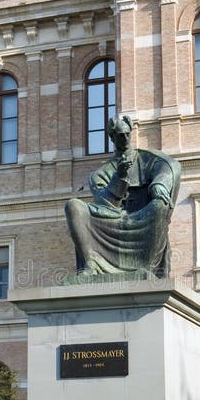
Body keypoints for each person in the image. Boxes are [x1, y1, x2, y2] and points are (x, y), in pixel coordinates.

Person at [65, 115, 181, 278]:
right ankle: (91, 263)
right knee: (73, 205)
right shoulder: (100, 173)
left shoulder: (147, 158)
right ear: (112, 137)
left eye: (128, 134)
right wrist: (118, 178)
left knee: (159, 205)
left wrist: (159, 184)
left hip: (145, 216)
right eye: (120, 135)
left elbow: (172, 165)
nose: (125, 138)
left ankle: (146, 267)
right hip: (114, 219)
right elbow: (103, 204)